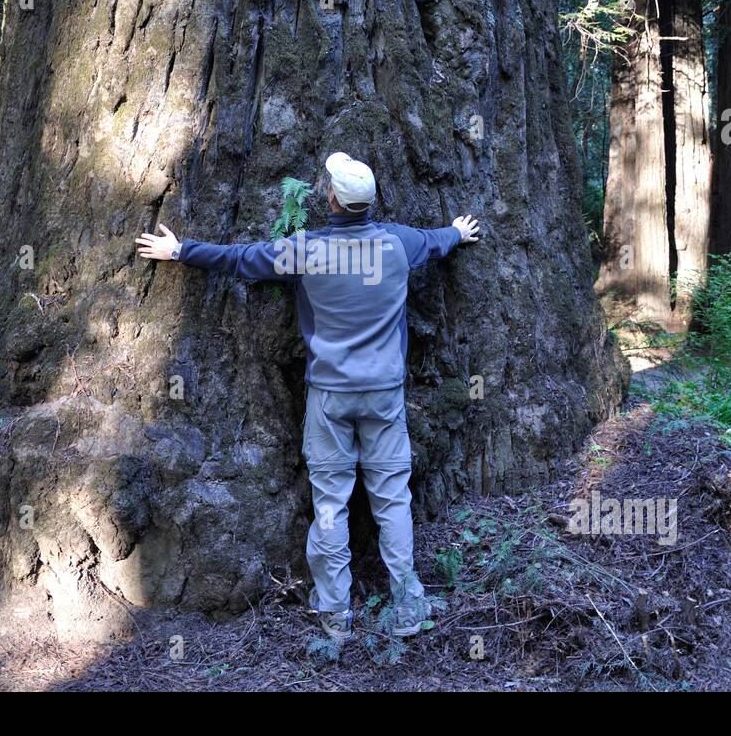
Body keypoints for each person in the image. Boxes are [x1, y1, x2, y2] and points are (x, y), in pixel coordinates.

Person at [136, 152, 479, 640]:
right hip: (384, 396)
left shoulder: (307, 251)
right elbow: (438, 242)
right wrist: (458, 233)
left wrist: (180, 250)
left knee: (332, 504)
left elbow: (240, 259)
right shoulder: (400, 243)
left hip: (330, 397)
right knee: (392, 499)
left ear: (333, 198)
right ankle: (408, 604)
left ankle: (336, 614)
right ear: (371, 200)